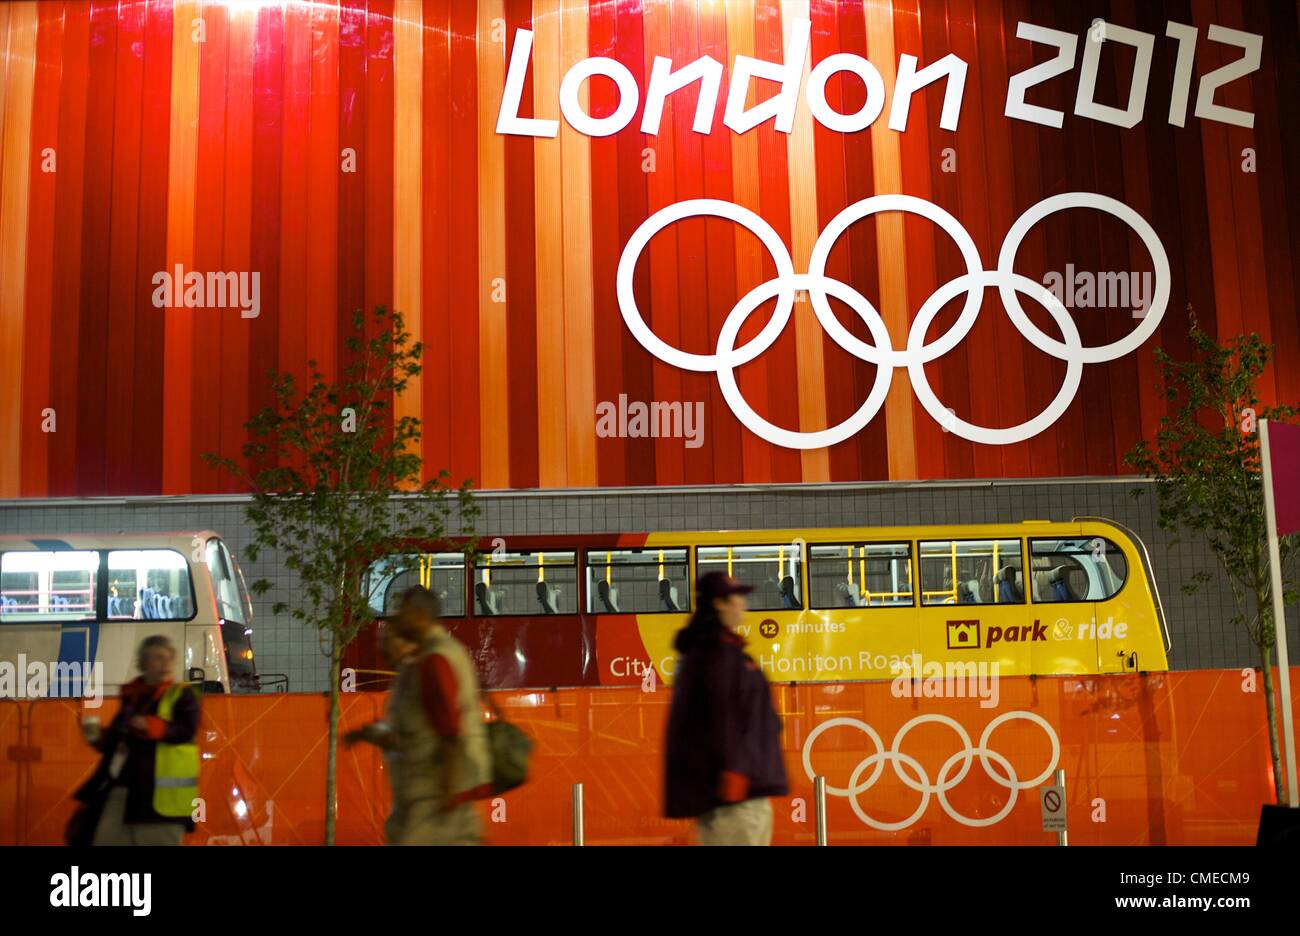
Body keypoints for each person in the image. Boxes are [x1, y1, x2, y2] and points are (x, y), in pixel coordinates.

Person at [345, 586, 491, 845]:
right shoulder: (430, 657)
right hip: (427, 796)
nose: (398, 616)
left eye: (403, 609)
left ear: (419, 614)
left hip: (434, 798)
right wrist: (367, 734)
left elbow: (450, 729)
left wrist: (448, 790)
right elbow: (413, 731)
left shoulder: (436, 659)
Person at [664, 571, 788, 845]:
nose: (743, 604)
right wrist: (734, 773)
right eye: (737, 598)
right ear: (719, 603)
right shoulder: (717, 654)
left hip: (740, 788)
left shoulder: (716, 651)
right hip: (735, 793)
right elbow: (723, 718)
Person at [74, 635, 200, 845]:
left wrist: (152, 726)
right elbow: (118, 740)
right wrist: (98, 737)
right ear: (144, 663)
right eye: (158, 658)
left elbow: (185, 731)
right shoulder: (133, 696)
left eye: (169, 658)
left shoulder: (182, 695)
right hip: (122, 791)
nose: (165, 663)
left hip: (160, 801)